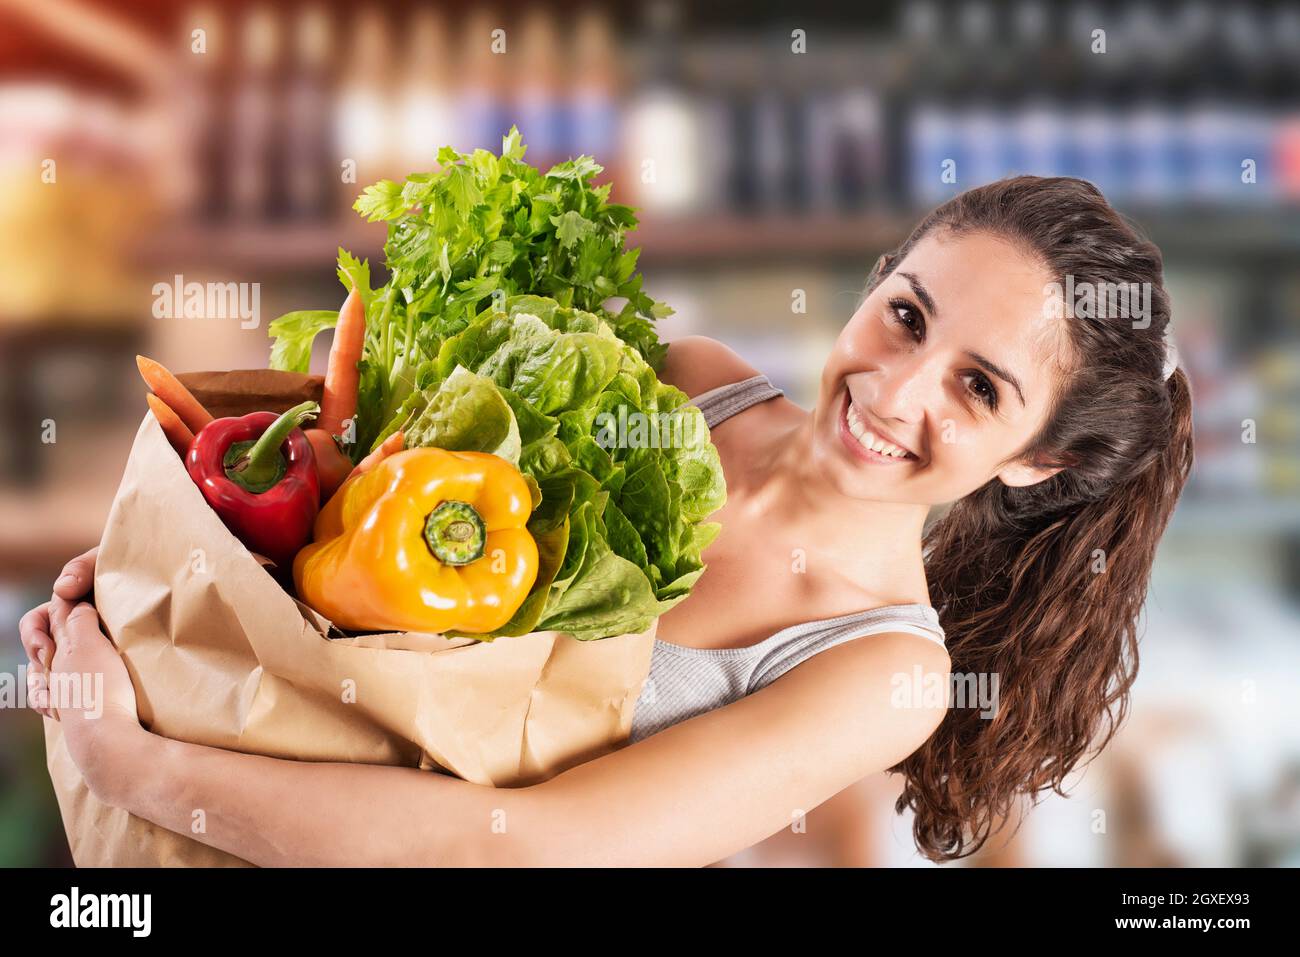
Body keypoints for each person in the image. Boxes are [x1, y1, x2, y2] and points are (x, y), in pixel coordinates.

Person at [19, 176, 1193, 866]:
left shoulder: (877, 670)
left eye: (978, 387)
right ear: (876, 277)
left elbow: (529, 850)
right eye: (904, 315)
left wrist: (133, 762)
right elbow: (362, 507)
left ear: (1040, 462)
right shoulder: (682, 378)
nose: (896, 390)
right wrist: (172, 569)